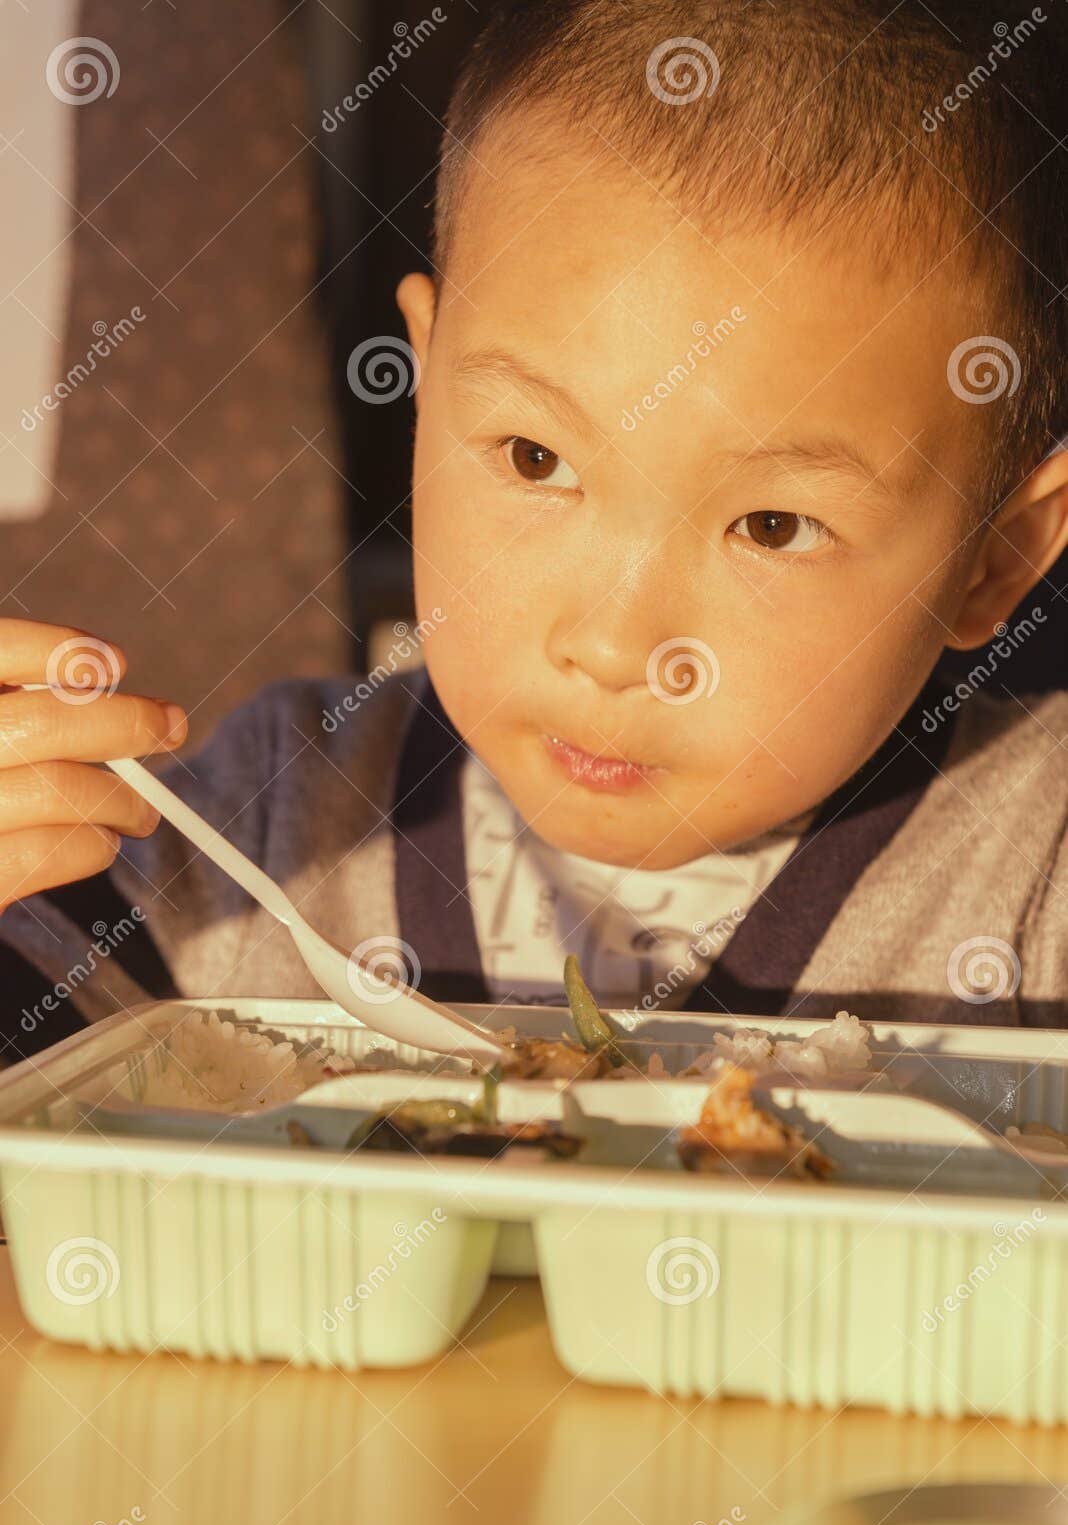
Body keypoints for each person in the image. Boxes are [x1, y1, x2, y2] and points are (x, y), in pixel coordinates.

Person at [2, 0, 1067, 1064]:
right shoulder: (262, 831)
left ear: (998, 556)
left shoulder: (1037, 872)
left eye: (773, 525)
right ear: (425, 381)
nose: (608, 646)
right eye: (534, 460)